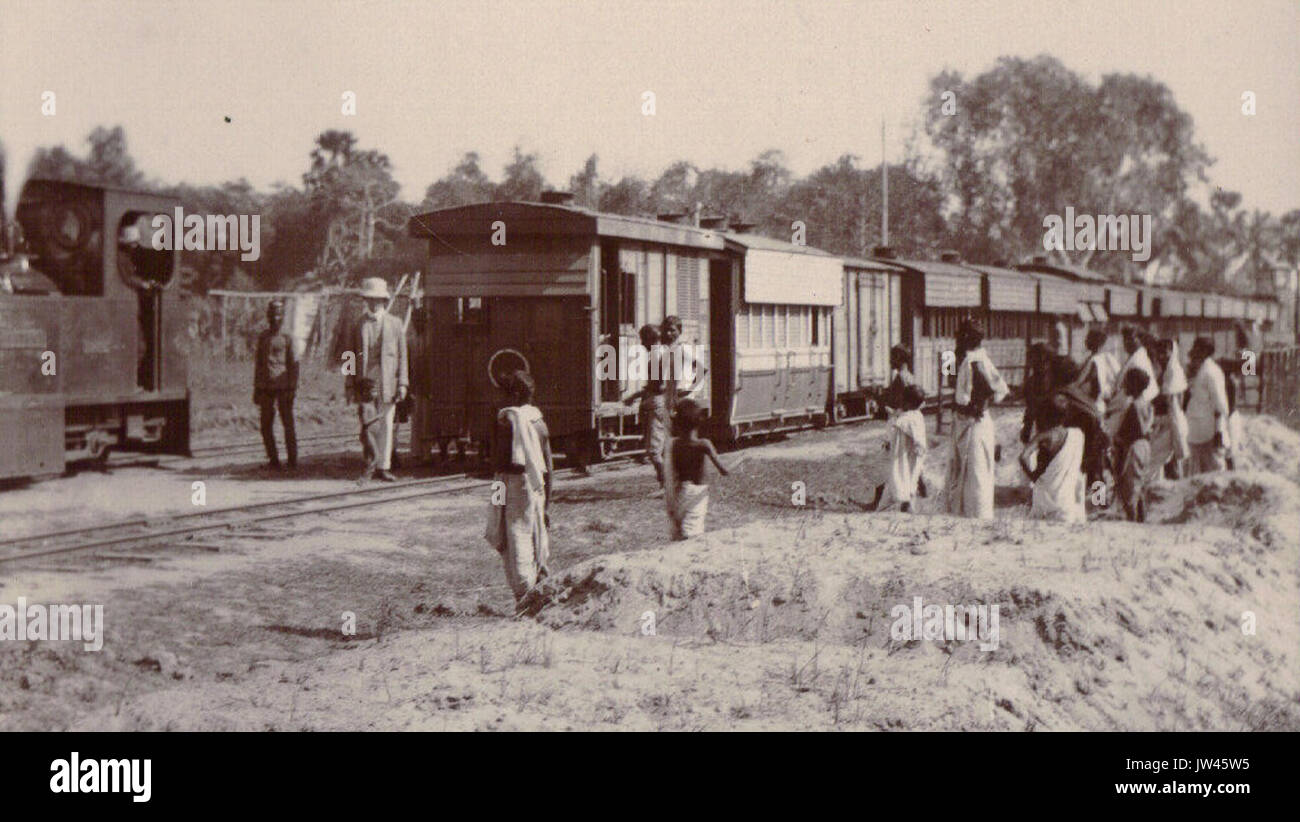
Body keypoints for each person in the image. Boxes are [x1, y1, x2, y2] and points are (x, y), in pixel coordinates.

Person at [485, 370, 553, 608]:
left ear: (512, 394)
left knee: (512, 538)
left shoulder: (506, 422)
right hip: (535, 487)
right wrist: (546, 504)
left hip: (508, 484)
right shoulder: (539, 422)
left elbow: (498, 466)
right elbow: (548, 468)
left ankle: (524, 597)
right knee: (534, 535)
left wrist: (496, 504)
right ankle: (536, 586)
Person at [945, 320, 1009, 519]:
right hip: (964, 421)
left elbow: (993, 389)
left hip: (974, 422)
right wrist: (953, 358)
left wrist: (977, 404)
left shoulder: (976, 360)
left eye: (959, 336)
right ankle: (964, 515)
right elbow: (950, 382)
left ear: (966, 338)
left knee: (976, 473)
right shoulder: (957, 358)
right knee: (960, 471)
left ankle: (978, 517)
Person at [346, 277, 408, 482]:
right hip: (365, 382)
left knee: (387, 426)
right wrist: (349, 383)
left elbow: (402, 356)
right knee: (367, 426)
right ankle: (370, 465)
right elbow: (350, 356)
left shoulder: (396, 324)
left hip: (388, 381)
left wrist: (403, 383)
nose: (373, 303)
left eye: (377, 300)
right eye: (369, 300)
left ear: (383, 300)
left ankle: (383, 467)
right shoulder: (358, 325)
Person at [664, 398, 729, 540]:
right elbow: (724, 470)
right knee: (693, 531)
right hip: (698, 492)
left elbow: (670, 471)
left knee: (678, 529)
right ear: (699, 422)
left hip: (679, 491)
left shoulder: (674, 444)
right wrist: (736, 463)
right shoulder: (704, 444)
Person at [1020, 394, 1086, 523]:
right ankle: (1099, 503)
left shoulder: (1044, 436)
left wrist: (1033, 476)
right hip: (1065, 505)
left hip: (1045, 499)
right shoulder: (1077, 435)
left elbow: (1023, 456)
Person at [253, 298, 299, 471]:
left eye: (278, 314)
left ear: (283, 316)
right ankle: (274, 460)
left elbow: (294, 365)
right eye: (272, 314)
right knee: (265, 425)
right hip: (265, 388)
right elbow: (258, 364)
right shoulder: (263, 337)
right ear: (268, 315)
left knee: (288, 424)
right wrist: (256, 388)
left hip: (283, 388)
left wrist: (292, 388)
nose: (275, 318)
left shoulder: (288, 337)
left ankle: (293, 461)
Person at [623, 323, 668, 488]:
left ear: (650, 339)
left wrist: (634, 396)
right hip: (659, 403)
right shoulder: (662, 353)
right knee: (658, 448)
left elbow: (658, 386)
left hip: (656, 403)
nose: (641, 344)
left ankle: (665, 484)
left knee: (654, 451)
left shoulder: (656, 357)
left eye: (643, 340)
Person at [872, 383, 928, 512]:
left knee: (898, 481)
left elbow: (896, 432)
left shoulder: (905, 420)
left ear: (907, 403)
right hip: (910, 456)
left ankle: (893, 508)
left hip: (902, 456)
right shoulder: (916, 416)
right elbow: (919, 440)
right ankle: (903, 507)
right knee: (908, 483)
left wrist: (888, 443)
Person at [1021, 322, 1079, 443]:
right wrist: (1027, 428)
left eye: (1035, 361)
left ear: (1046, 361)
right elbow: (1030, 409)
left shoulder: (1059, 378)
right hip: (1044, 431)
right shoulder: (1032, 383)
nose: (1033, 366)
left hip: (1063, 431)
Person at [1112, 369, 1155, 522]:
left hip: (1133, 448)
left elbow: (1128, 431)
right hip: (1145, 447)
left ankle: (1132, 519)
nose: (1125, 386)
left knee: (1129, 488)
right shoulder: (1148, 405)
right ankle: (1141, 519)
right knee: (1140, 485)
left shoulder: (1133, 407)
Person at [1185, 337, 1230, 474]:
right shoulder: (1201, 369)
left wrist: (1219, 431)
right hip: (1197, 431)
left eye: (1198, 348)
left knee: (1215, 471)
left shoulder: (1212, 372)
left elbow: (1220, 405)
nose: (1194, 352)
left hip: (1210, 432)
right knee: (1198, 475)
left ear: (1205, 351)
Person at [1147, 339, 1190, 481]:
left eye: (1164, 353)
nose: (1161, 356)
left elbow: (1171, 401)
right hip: (1163, 422)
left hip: (1171, 422)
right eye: (1159, 353)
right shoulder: (1164, 372)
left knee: (1154, 460)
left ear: (1172, 352)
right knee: (1165, 463)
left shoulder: (1173, 372)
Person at [1106, 326, 1159, 437]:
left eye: (1130, 339)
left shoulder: (1138, 361)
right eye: (1125, 339)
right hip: (1129, 404)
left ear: (1139, 340)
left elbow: (1134, 389)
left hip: (1135, 407)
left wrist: (1111, 405)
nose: (1126, 342)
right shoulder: (1135, 357)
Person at [1073, 328, 1117, 419]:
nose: (1086, 341)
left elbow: (1079, 381)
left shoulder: (1094, 361)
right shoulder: (1104, 358)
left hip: (1090, 405)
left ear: (1095, 342)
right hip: (1101, 404)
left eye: (1088, 338)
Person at [1218, 356, 1246, 470]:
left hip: (1229, 416)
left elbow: (1231, 403)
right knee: (1230, 449)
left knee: (1229, 449)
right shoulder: (1231, 381)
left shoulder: (1229, 382)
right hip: (1231, 416)